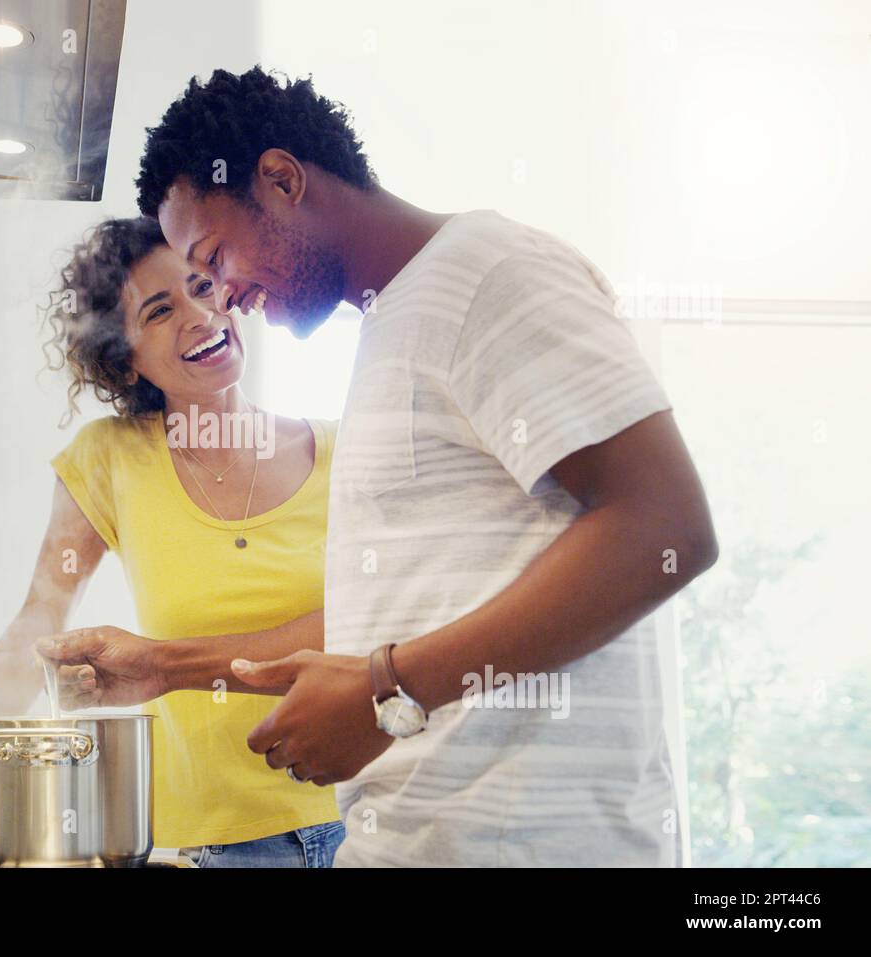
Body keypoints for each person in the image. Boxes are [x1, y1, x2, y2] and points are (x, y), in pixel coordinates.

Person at [48, 67, 718, 867]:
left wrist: (384, 690)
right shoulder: (392, 325)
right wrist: (212, 668)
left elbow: (664, 527)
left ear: (283, 180)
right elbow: (440, 604)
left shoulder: (490, 274)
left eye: (214, 258)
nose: (221, 295)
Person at [0, 217, 344, 867]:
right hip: (208, 845)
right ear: (126, 356)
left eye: (203, 286)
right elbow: (34, 628)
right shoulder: (111, 459)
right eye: (159, 310)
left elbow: (374, 626)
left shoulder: (341, 451)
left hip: (363, 820)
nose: (198, 316)